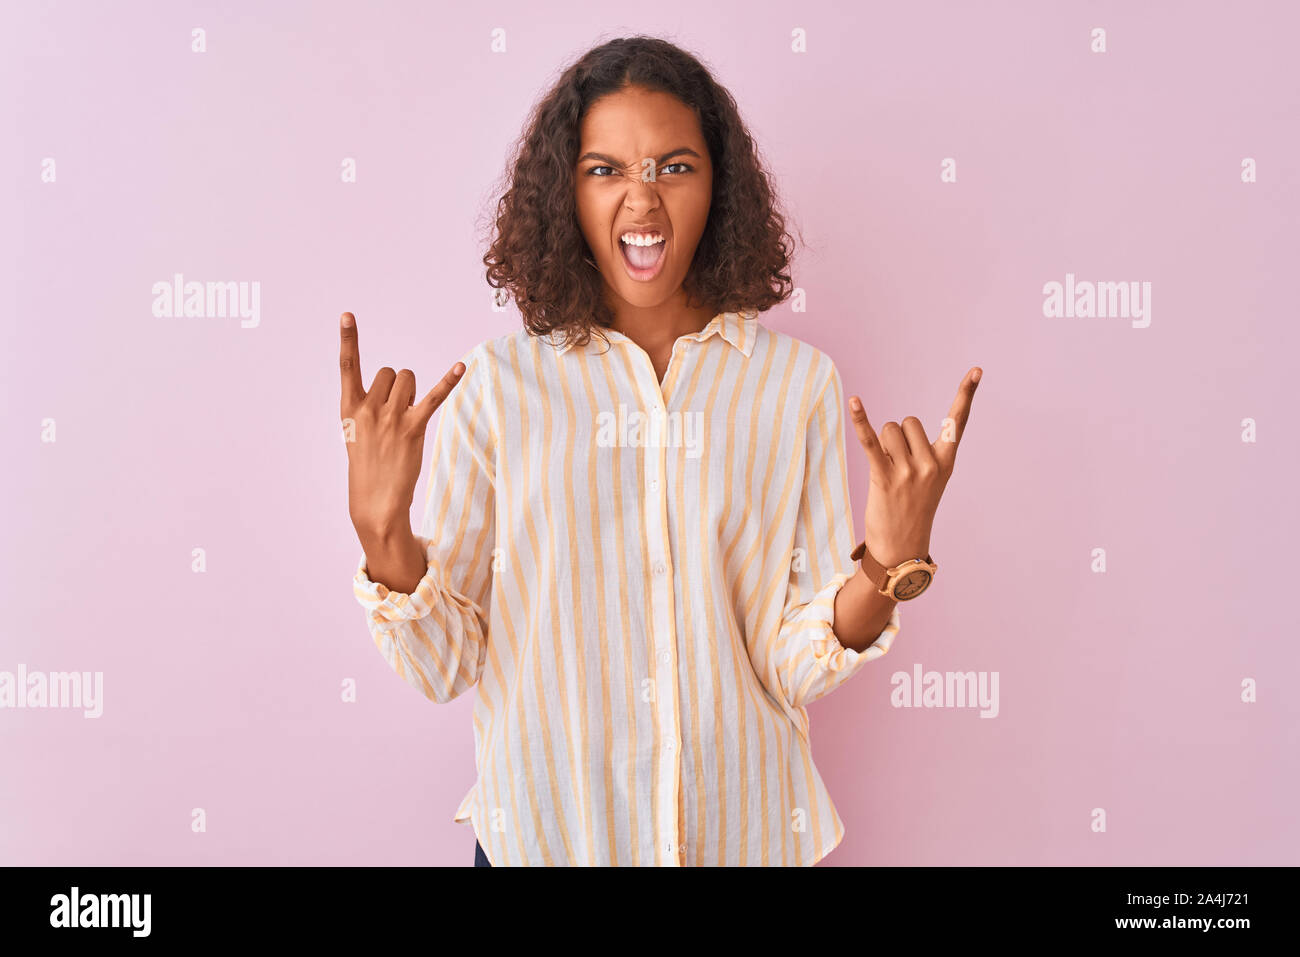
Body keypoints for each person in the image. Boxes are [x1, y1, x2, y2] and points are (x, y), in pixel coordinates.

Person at [340, 35, 981, 866]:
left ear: (720, 187)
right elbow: (448, 662)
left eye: (674, 167)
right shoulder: (499, 389)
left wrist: (889, 566)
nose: (641, 203)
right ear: (564, 193)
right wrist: (380, 530)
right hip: (545, 839)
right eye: (605, 170)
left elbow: (793, 663)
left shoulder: (796, 387)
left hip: (743, 837)